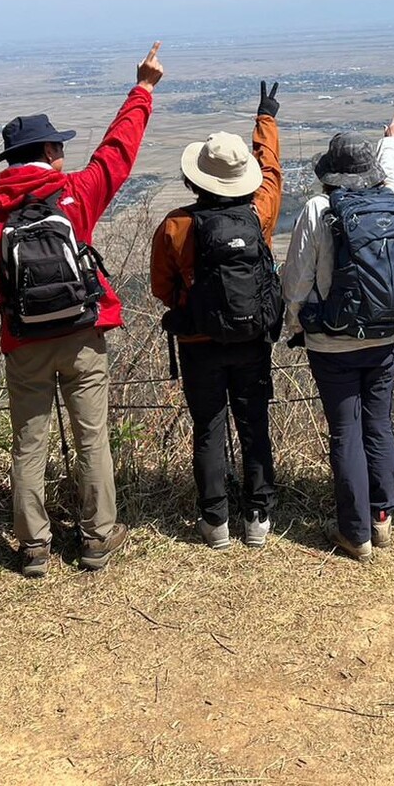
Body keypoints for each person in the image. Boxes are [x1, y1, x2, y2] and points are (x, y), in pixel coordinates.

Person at [0, 42, 163, 575]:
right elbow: (118, 152)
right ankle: (96, 537)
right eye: (59, 148)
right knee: (91, 436)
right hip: (82, 333)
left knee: (30, 442)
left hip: (23, 339)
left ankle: (34, 548)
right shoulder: (75, 192)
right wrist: (142, 88)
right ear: (49, 152)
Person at [151, 81, 285, 549]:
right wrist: (265, 118)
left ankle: (215, 523)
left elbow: (161, 288)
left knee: (208, 428)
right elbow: (271, 172)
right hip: (252, 338)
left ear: (195, 179)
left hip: (198, 344)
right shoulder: (258, 214)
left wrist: (196, 306)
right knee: (254, 425)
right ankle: (259, 518)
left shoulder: (175, 225)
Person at [282, 114, 394, 559]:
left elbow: (296, 281)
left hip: (331, 341)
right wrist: (392, 141)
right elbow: (393, 174)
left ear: (330, 174)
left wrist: (299, 325)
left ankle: (354, 534)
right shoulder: (390, 199)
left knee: (346, 432)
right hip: (384, 336)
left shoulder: (320, 210)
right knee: (379, 425)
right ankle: (382, 520)